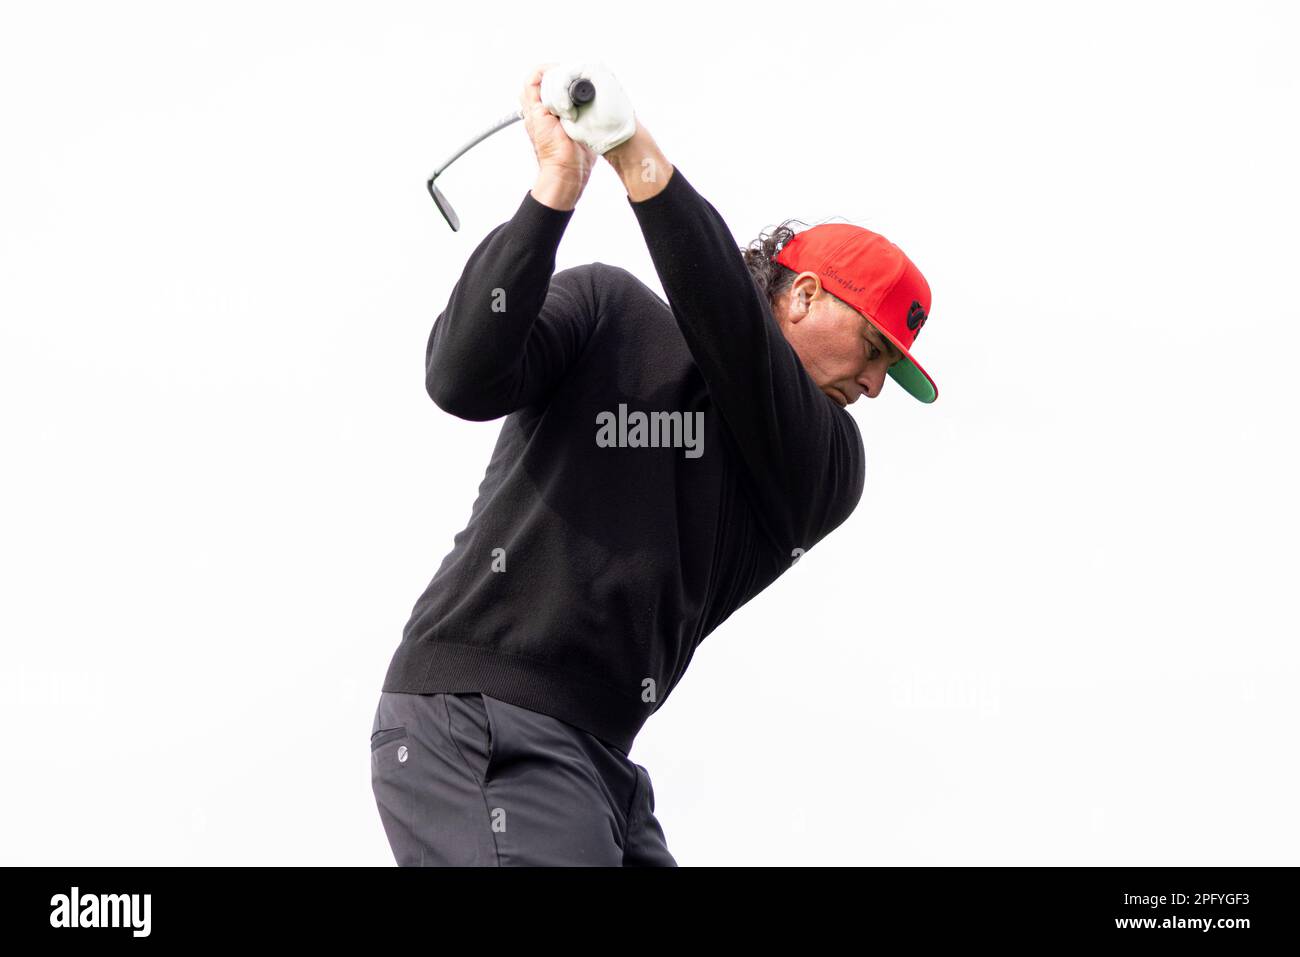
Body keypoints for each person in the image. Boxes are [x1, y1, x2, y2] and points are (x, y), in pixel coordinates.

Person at [370, 63, 939, 866]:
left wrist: (639, 158)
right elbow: (460, 377)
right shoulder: (609, 308)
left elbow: (738, 344)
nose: (876, 385)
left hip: (600, 762)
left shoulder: (827, 466)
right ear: (804, 295)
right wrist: (554, 193)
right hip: (480, 716)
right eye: (875, 348)